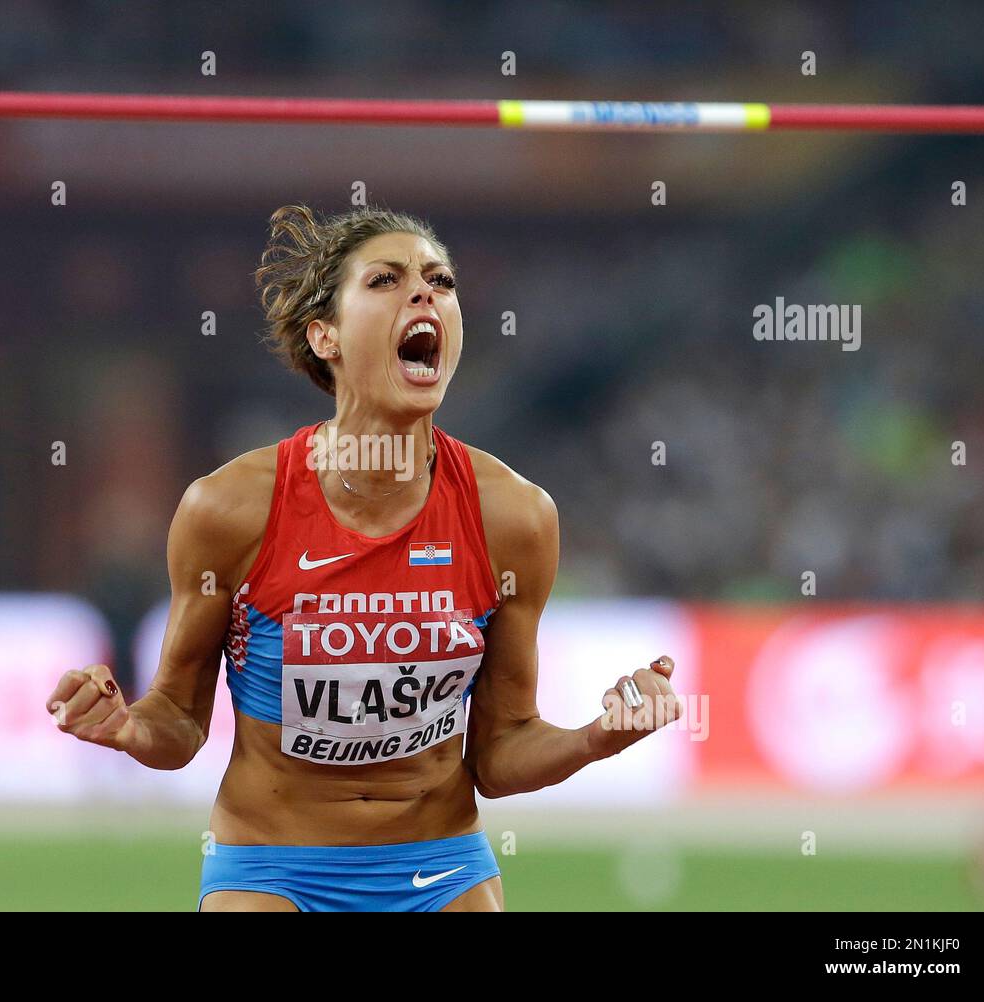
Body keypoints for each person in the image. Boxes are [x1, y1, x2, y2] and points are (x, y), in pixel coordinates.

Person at [46, 205, 680, 912]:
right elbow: (179, 721)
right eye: (386, 280)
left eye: (441, 281)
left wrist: (598, 738)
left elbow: (500, 756)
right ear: (327, 336)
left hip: (441, 868)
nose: (425, 294)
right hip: (271, 871)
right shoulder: (229, 509)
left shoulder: (515, 517)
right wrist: (131, 728)